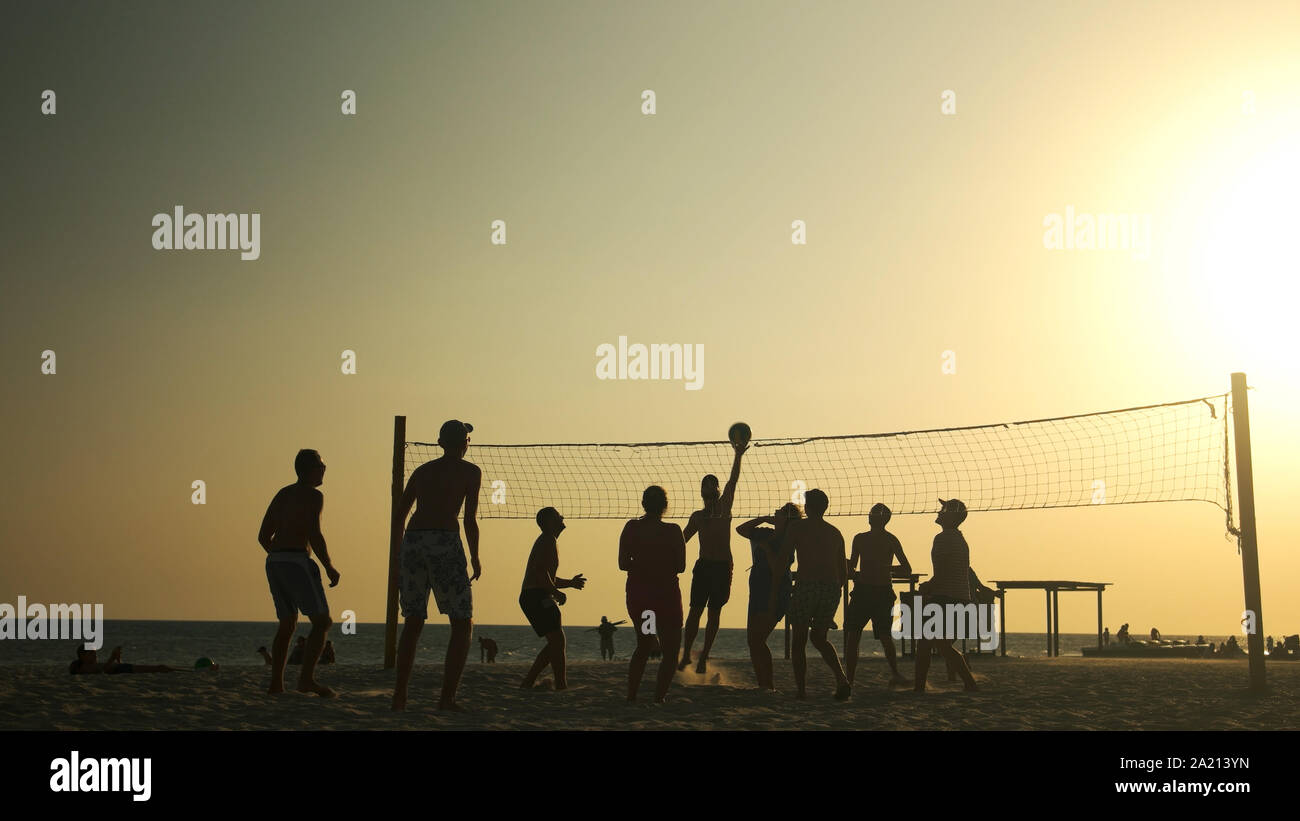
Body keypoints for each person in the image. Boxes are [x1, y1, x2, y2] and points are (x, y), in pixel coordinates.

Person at [392, 420, 482, 712]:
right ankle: (447, 698)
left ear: (440, 442)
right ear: (465, 443)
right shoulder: (470, 472)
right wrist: (475, 556)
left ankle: (400, 697)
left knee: (413, 620)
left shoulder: (422, 471)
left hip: (414, 541)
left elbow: (400, 515)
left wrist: (399, 555)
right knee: (462, 620)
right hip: (444, 540)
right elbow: (469, 519)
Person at [258, 449, 340, 697]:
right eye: (321, 466)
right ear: (309, 469)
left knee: (288, 623)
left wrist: (279, 555)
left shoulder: (284, 493)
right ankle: (306, 680)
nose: (325, 470)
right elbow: (314, 534)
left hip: (274, 561)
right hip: (295, 560)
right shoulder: (313, 496)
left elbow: (263, 536)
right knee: (322, 621)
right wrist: (328, 566)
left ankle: (276, 685)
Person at [679, 441, 747, 674]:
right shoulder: (697, 516)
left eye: (711, 484)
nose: (708, 488)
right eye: (705, 485)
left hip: (722, 566)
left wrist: (738, 454)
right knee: (695, 611)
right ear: (701, 491)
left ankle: (703, 657)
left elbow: (733, 480)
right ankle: (687, 653)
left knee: (714, 613)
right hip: (704, 566)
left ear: (716, 490)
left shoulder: (724, 506)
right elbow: (681, 540)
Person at [781, 489, 851, 700]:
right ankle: (842, 680)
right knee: (819, 638)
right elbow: (843, 572)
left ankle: (801, 691)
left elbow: (783, 558)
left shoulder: (797, 527)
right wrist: (837, 595)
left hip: (807, 586)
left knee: (799, 639)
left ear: (807, 507)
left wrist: (778, 584)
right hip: (831, 588)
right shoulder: (835, 532)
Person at [619, 485, 686, 703]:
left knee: (645, 644)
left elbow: (622, 563)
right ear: (665, 506)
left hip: (642, 597)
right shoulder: (674, 531)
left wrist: (643, 563)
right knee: (670, 650)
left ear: (643, 504)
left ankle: (631, 696)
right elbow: (681, 566)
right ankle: (659, 698)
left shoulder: (631, 527)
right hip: (665, 596)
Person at [913, 498, 978, 692]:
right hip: (961, 598)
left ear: (950, 516)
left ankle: (919, 688)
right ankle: (969, 683)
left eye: (944, 509)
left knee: (925, 643)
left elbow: (942, 572)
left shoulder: (943, 538)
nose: (939, 511)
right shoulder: (959, 538)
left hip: (945, 597)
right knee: (942, 645)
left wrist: (927, 586)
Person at [736, 501, 802, 691]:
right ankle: (763, 684)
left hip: (775, 592)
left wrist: (766, 549)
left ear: (786, 519)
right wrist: (764, 519)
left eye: (779, 512)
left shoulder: (788, 542)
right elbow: (741, 529)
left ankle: (768, 684)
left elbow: (778, 571)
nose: (775, 513)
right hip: (757, 590)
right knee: (753, 640)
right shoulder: (764, 532)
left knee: (759, 639)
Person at [519, 507, 586, 690]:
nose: (562, 517)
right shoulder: (547, 540)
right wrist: (556, 592)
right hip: (536, 595)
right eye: (558, 516)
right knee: (557, 641)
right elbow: (540, 573)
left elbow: (547, 577)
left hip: (536, 594)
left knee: (556, 642)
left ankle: (529, 683)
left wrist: (570, 583)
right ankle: (560, 685)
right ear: (550, 522)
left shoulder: (549, 541)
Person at [844, 503, 911, 687]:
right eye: (871, 512)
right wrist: (847, 567)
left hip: (882, 592)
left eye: (874, 513)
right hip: (863, 590)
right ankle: (849, 679)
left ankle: (896, 674)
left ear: (882, 519)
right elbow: (851, 570)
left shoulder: (891, 540)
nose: (870, 515)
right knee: (853, 634)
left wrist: (885, 568)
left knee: (884, 635)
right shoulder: (859, 538)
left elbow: (906, 569)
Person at [69, 645, 179, 675]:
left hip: (121, 668)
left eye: (94, 653)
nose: (94, 655)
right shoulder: (85, 667)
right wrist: (112, 657)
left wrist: (116, 658)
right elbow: (103, 671)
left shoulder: (88, 665)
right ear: (82, 656)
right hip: (121, 669)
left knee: (157, 668)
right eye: (91, 653)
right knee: (157, 668)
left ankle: (172, 669)